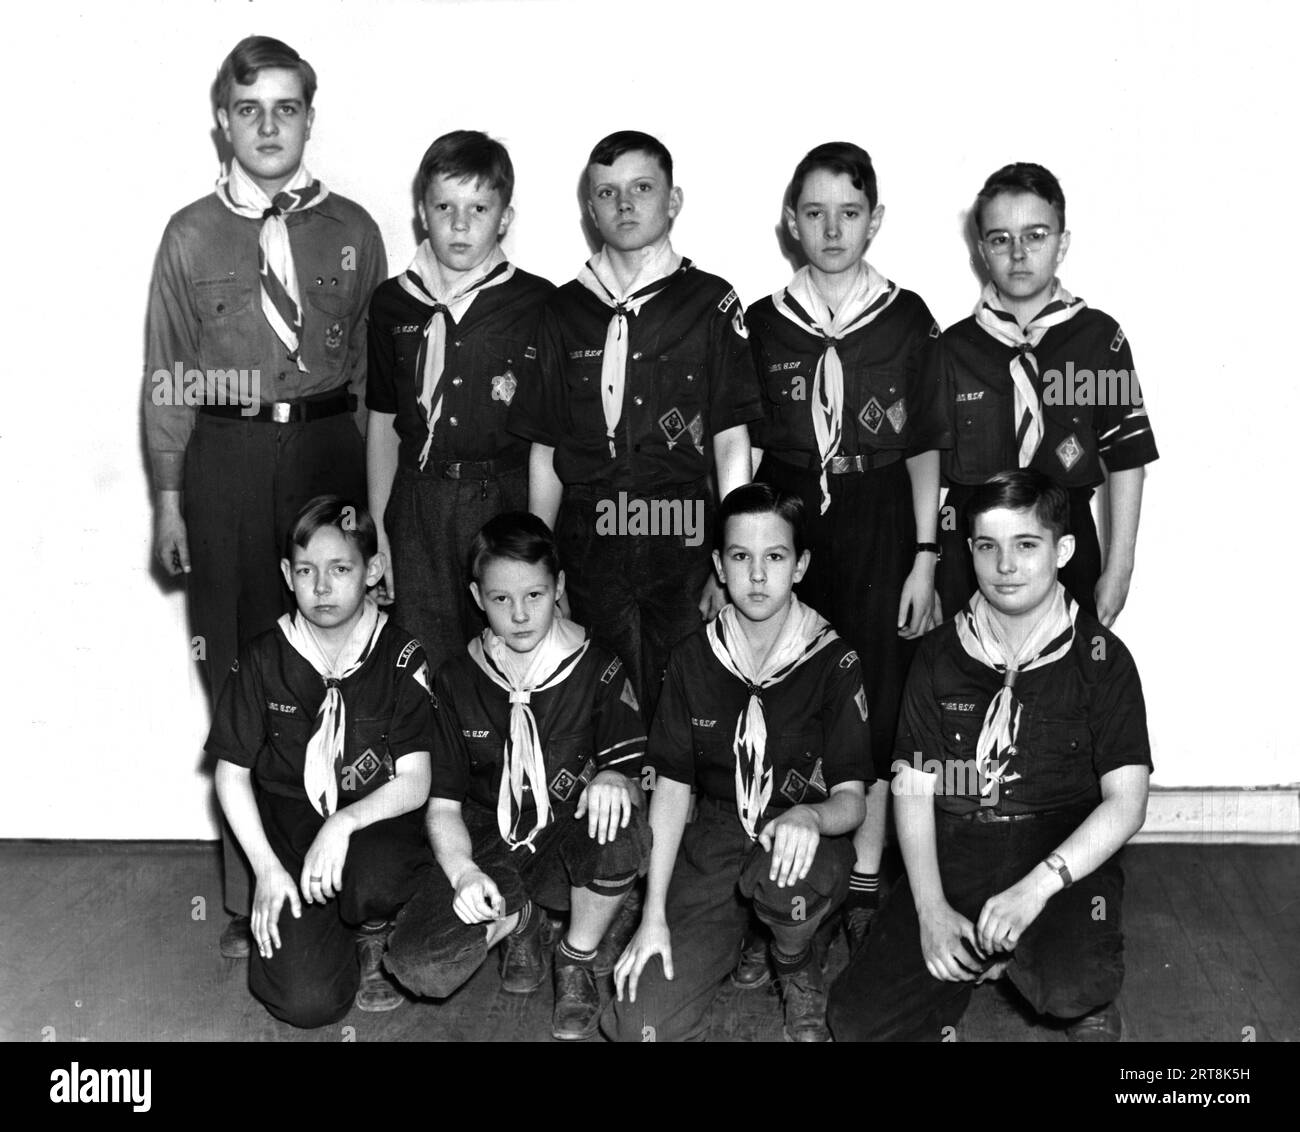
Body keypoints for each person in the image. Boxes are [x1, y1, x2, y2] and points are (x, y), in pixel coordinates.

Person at [143, 35, 387, 957]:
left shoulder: (356, 229)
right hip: (228, 456)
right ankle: (252, 894)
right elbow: (167, 374)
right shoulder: (189, 235)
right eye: (251, 110)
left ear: (310, 119)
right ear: (224, 121)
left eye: (287, 108)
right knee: (240, 661)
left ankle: (344, 873)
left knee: (340, 647)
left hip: (328, 444)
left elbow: (372, 377)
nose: (269, 126)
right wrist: (170, 498)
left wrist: (374, 504)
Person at [828, 470, 1151, 1042]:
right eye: (987, 546)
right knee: (856, 1021)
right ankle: (977, 958)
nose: (1005, 566)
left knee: (1075, 986)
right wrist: (929, 908)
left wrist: (1036, 890)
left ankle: (1022, 960)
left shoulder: (1103, 657)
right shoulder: (938, 653)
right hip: (961, 846)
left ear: (1063, 550)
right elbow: (912, 786)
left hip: (1058, 851)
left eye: (1026, 545)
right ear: (969, 551)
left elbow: (1126, 805)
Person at [746, 141, 949, 957]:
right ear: (791, 223)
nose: (832, 229)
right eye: (816, 212)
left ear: (877, 220)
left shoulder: (906, 318)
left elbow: (929, 442)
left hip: (880, 510)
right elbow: (744, 446)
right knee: (798, 678)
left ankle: (866, 872)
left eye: (850, 212)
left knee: (874, 679)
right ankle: (789, 862)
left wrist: (926, 554)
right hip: (795, 511)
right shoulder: (762, 321)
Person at [606, 484, 871, 1043]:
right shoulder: (692, 658)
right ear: (718, 567)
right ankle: (749, 933)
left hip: (804, 836)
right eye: (739, 557)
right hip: (721, 835)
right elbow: (672, 789)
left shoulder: (834, 659)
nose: (756, 576)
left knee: (788, 895)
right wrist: (651, 913)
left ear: (800, 566)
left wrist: (813, 818)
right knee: (641, 1025)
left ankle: (795, 958)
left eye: (774, 557)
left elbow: (852, 800)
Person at [509, 130, 760, 718]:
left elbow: (730, 441)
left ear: (672, 201)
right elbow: (546, 448)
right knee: (602, 693)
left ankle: (684, 810)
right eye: (607, 192)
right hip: (590, 528)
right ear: (589, 209)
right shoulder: (564, 310)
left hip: (684, 528)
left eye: (642, 188)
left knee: (692, 691)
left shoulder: (711, 302)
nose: (624, 204)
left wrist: (735, 553)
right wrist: (542, 559)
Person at [384, 512, 652, 1041]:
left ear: (559, 588)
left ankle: (575, 955)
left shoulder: (597, 665)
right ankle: (521, 919)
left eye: (534, 595)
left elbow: (633, 773)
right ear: (477, 596)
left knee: (620, 831)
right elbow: (441, 806)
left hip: (569, 830)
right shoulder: (458, 677)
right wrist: (462, 873)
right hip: (491, 837)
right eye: (501, 599)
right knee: (419, 964)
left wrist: (615, 779)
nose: (520, 614)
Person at [209, 497, 435, 1027]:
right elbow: (230, 773)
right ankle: (325, 933)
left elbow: (418, 779)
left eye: (341, 569)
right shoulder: (265, 655)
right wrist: (266, 870)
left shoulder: (402, 655)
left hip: (373, 823)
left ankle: (374, 932)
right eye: (306, 571)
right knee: (306, 1003)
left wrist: (344, 822)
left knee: (374, 877)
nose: (322, 587)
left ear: (372, 571)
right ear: (288, 575)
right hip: (292, 827)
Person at [933, 162, 1157, 627]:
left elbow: (1127, 456)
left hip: (1066, 534)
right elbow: (921, 469)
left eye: (1035, 235)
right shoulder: (952, 350)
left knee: (1066, 684)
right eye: (1000, 239)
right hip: (970, 542)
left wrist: (1120, 566)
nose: (1018, 254)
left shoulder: (1099, 340)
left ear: (1062, 243)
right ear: (981, 251)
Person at [366, 130, 554, 673]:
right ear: (422, 212)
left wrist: (535, 544)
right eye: (444, 206)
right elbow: (382, 421)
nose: (460, 223)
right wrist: (380, 527)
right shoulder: (392, 301)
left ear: (505, 217)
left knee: (507, 662)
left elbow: (546, 441)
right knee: (424, 663)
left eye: (478, 207)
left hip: (503, 499)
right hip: (418, 505)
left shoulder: (537, 302)